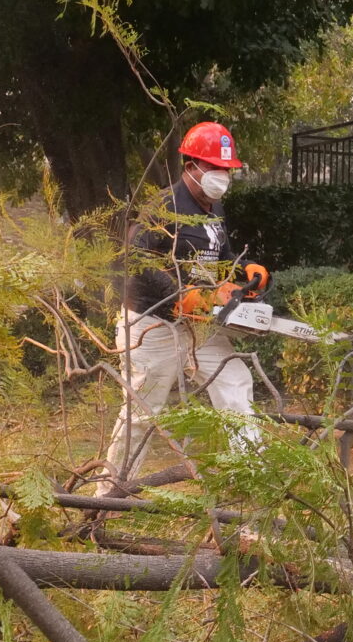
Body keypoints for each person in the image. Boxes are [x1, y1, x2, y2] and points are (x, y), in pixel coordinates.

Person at [105, 121, 262, 479]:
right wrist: (179, 293)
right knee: (143, 412)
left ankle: (253, 479)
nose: (222, 176)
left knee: (235, 381)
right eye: (215, 167)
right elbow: (136, 258)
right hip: (152, 323)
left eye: (226, 169)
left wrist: (245, 269)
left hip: (197, 322)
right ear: (191, 166)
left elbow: (221, 255)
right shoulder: (164, 205)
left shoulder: (214, 209)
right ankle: (109, 492)